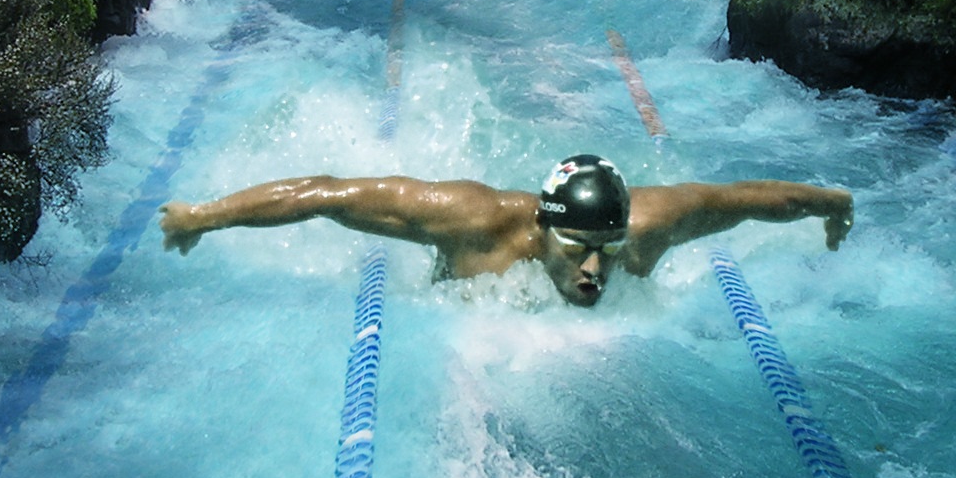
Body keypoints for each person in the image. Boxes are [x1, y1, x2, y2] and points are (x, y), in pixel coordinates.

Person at [159, 153, 853, 307]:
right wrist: (202, 217)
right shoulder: (475, 224)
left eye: (607, 253)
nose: (597, 271)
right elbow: (326, 195)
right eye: (580, 251)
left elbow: (740, 198)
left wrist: (828, 201)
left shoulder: (645, 229)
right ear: (545, 231)